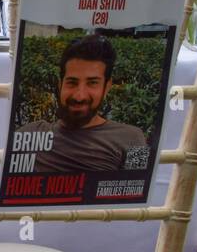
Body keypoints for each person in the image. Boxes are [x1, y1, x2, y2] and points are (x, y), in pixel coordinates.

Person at [13, 34, 148, 173]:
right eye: (72, 82)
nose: (79, 96)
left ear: (107, 87)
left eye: (92, 83)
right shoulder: (29, 134)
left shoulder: (134, 138)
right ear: (60, 86)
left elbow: (141, 190)